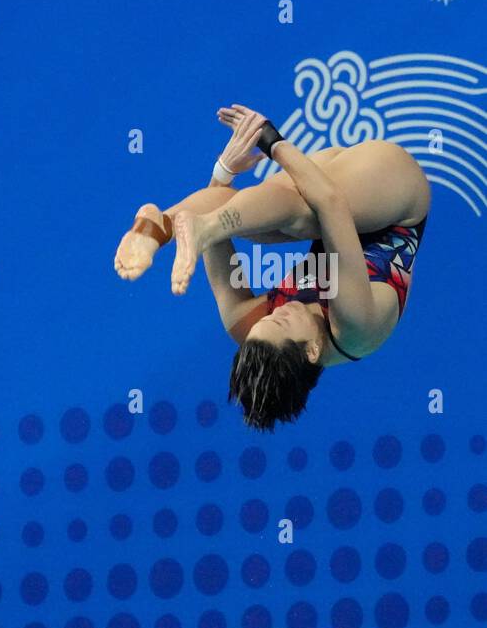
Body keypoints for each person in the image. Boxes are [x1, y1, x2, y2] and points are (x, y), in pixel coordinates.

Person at [114, 105, 430, 431]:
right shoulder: (356, 328)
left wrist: (223, 172)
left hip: (332, 190)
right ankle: (195, 228)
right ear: (312, 350)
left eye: (266, 322)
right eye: (280, 322)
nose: (275, 313)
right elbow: (330, 203)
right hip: (391, 188)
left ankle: (157, 230)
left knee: (249, 222)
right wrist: (271, 140)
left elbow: (218, 212)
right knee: (297, 216)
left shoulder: (252, 331)